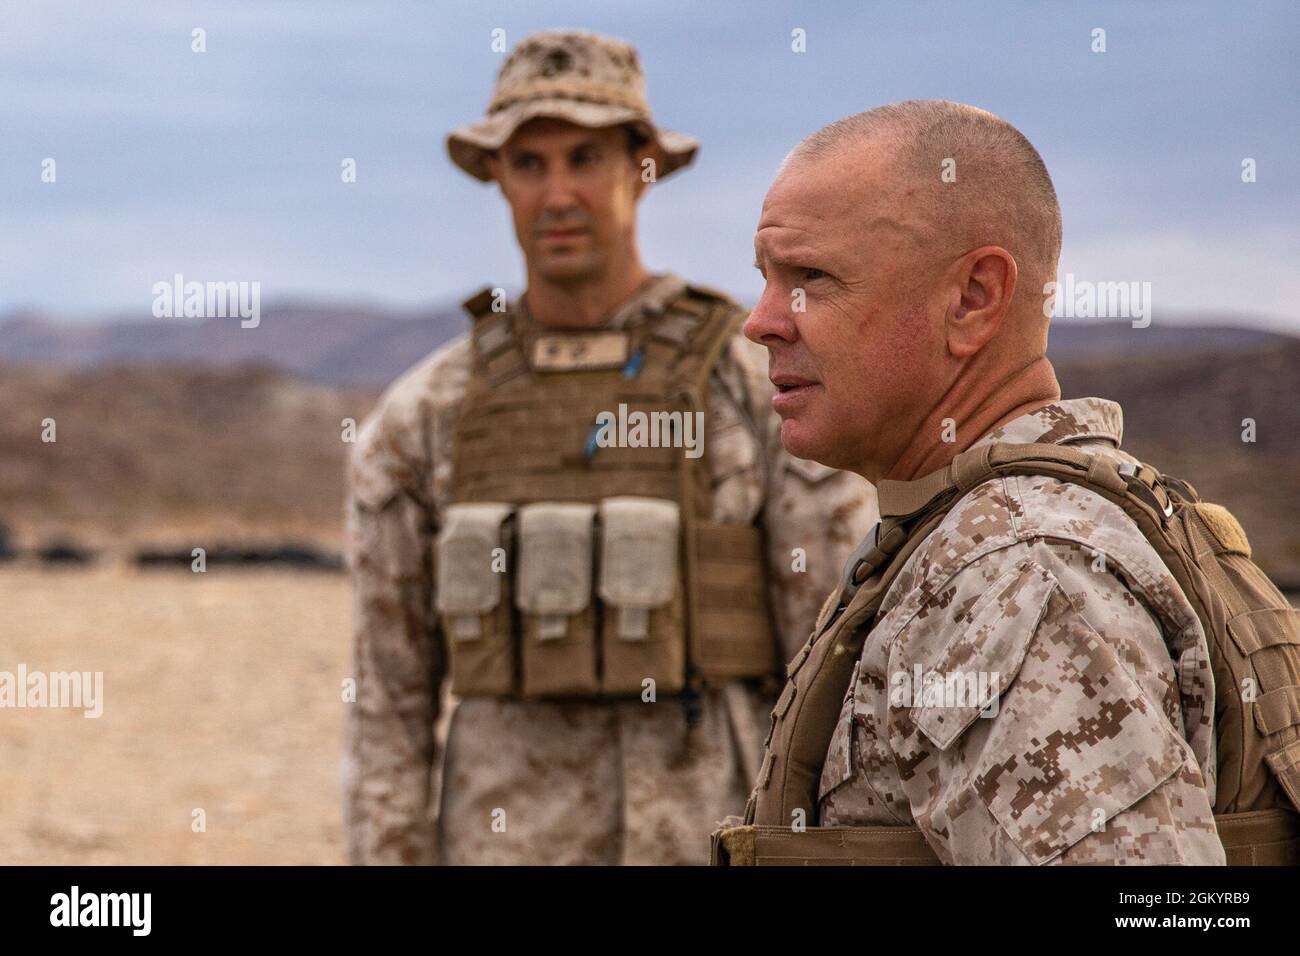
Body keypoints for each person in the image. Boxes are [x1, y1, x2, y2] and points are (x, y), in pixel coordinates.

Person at [341, 30, 874, 865]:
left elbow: (836, 671)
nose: (558, 194)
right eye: (529, 164)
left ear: (642, 168)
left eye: (586, 158)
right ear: (495, 177)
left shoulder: (755, 388)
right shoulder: (426, 416)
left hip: (712, 836)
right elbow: (387, 707)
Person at [720, 100, 1300, 866]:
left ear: (974, 299)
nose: (762, 322)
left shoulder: (1020, 574)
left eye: (811, 279)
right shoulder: (978, 535)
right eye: (766, 279)